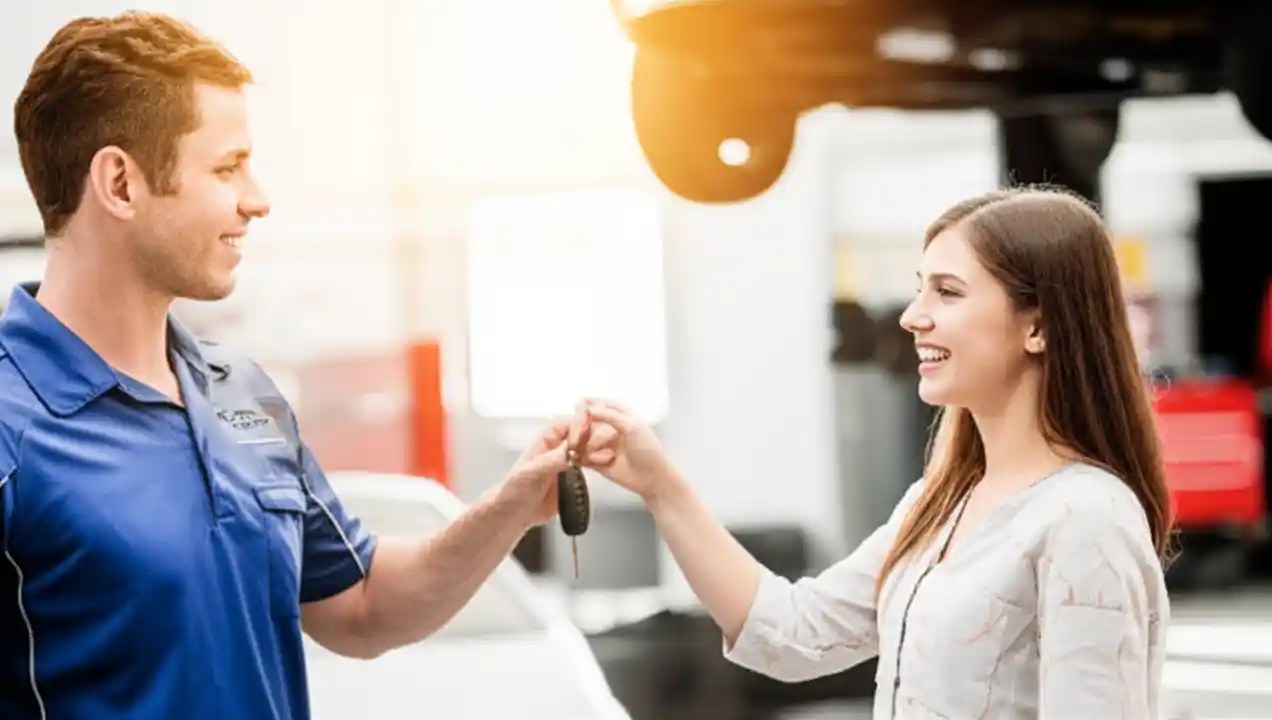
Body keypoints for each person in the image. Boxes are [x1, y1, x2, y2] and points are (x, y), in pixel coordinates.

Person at [0, 12, 610, 719]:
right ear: (121, 184)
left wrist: (508, 509)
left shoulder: (245, 395)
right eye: (228, 167)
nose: (257, 199)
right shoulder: (12, 422)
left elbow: (362, 605)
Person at [575, 186, 1174, 719]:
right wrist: (660, 486)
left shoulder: (1086, 519)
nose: (914, 316)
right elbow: (793, 634)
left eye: (948, 292)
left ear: (1037, 327)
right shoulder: (937, 506)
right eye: (920, 291)